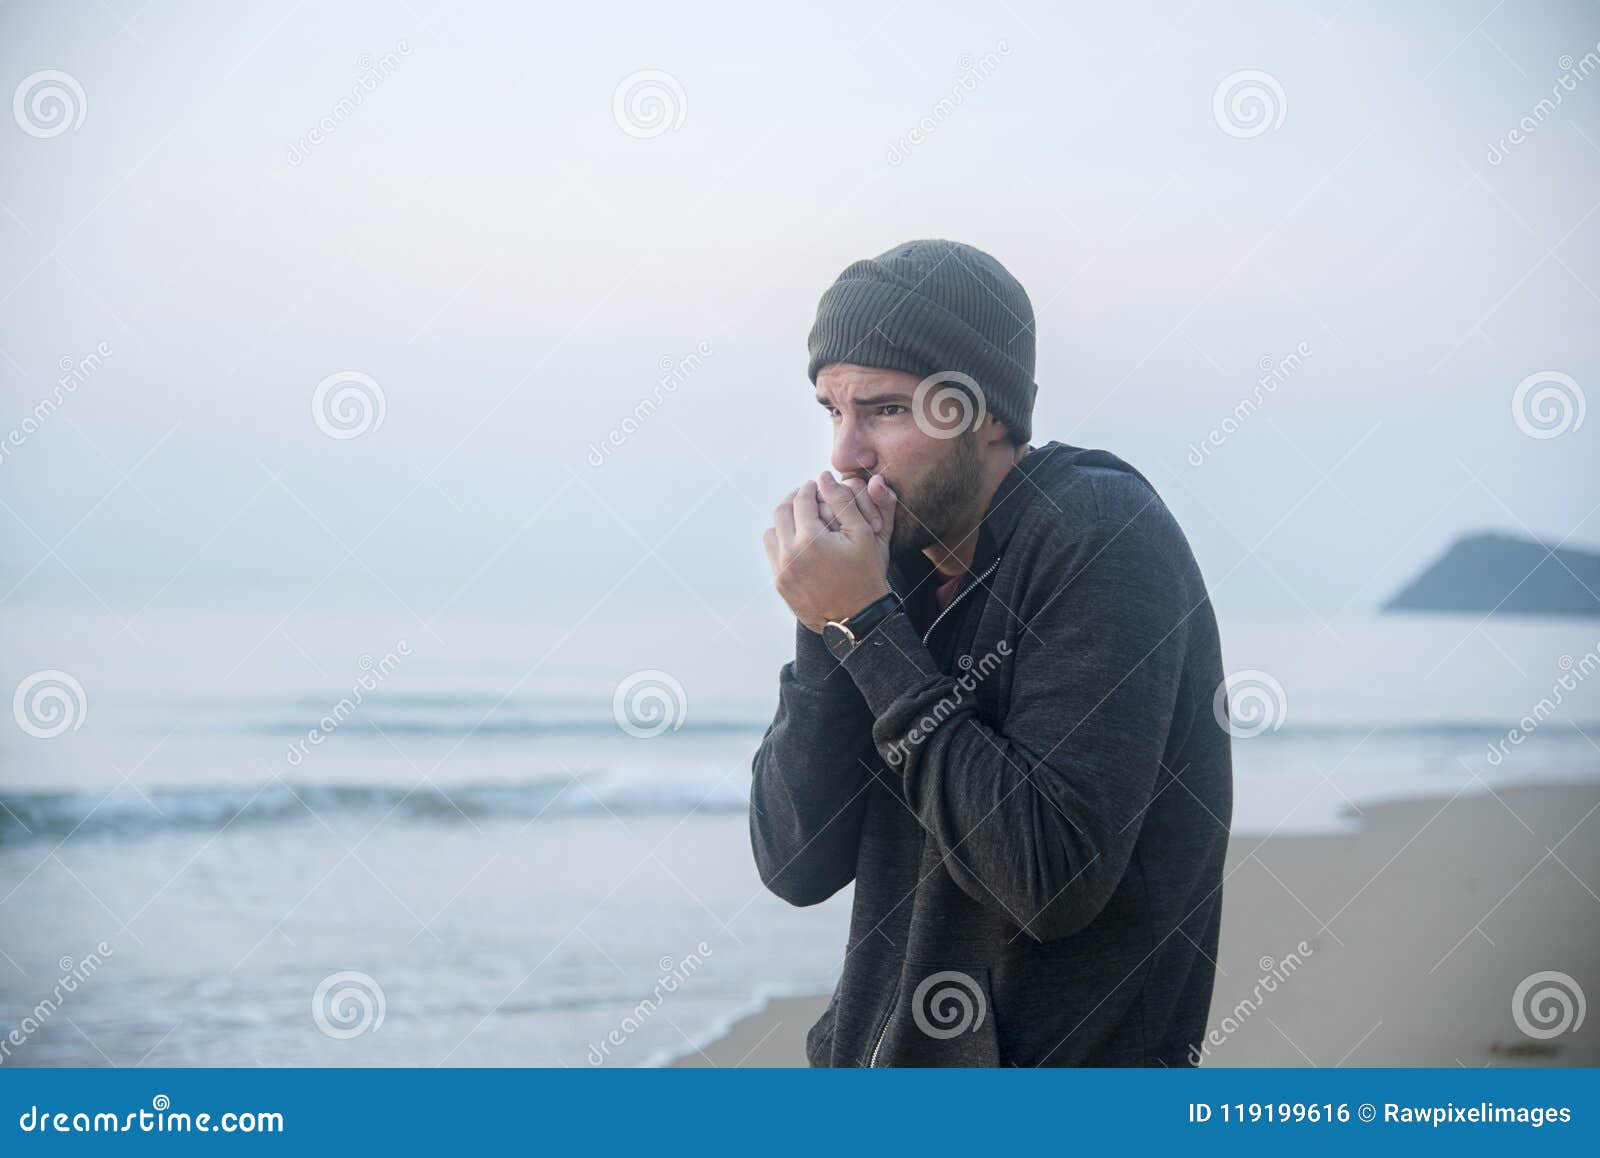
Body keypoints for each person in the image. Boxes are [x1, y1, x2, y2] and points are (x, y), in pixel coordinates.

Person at [754, 239, 1233, 1066]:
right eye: (834, 411)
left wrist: (865, 625)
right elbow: (795, 862)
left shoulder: (1100, 534)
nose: (845, 452)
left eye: (886, 410)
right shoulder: (894, 567)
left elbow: (1049, 877)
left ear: (988, 415)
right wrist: (830, 619)